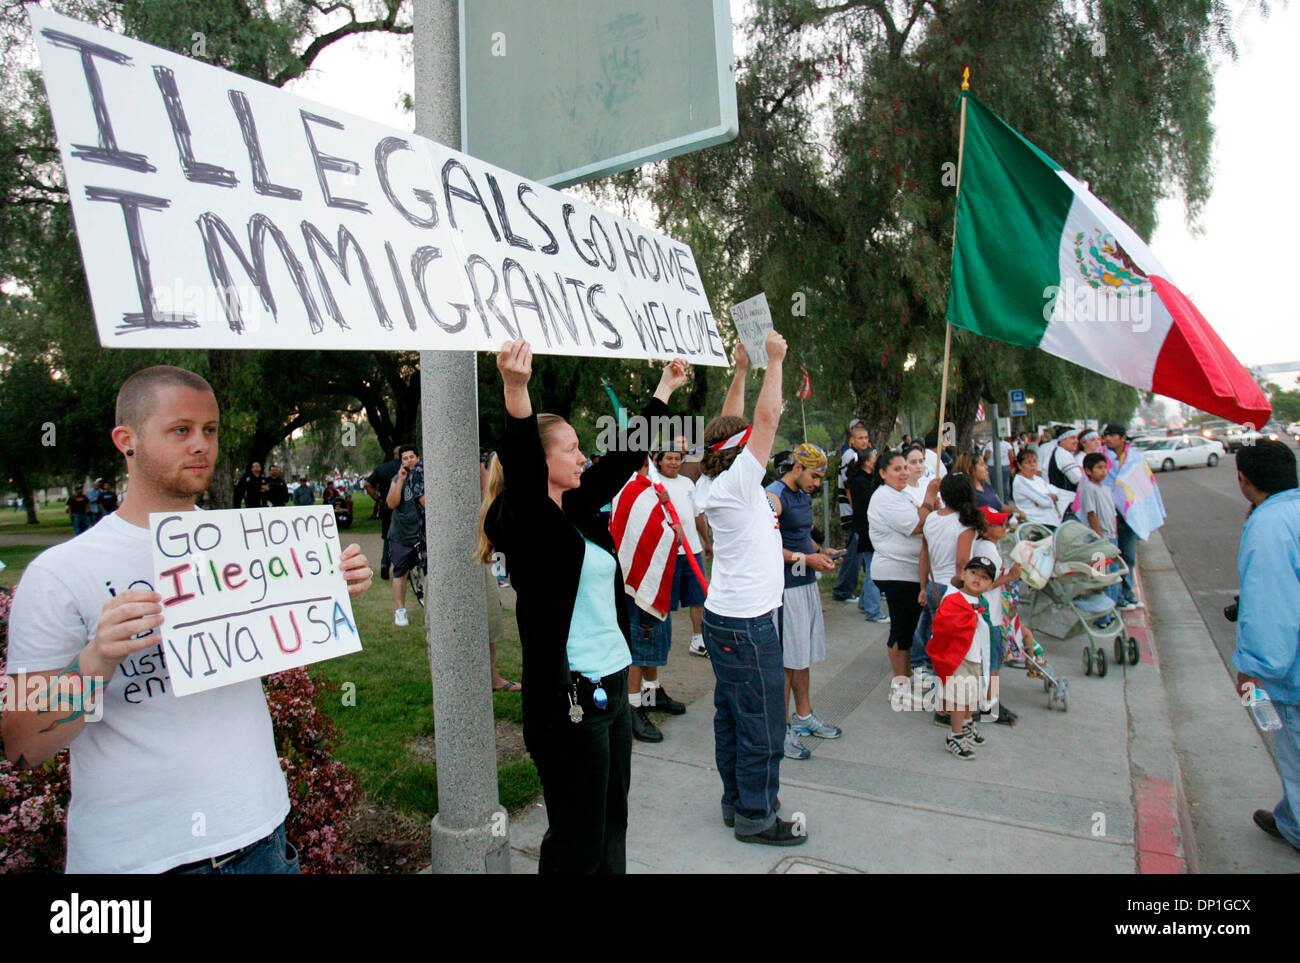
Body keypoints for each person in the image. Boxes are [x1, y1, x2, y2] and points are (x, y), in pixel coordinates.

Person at [2, 365, 372, 873]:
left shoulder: (245, 547)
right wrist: (95, 660)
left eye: (210, 430)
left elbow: (270, 637)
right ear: (126, 440)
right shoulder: (59, 573)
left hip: (261, 837)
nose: (201, 445)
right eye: (181, 430)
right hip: (142, 860)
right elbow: (19, 744)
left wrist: (326, 583)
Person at [479, 339, 688, 872]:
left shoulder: (576, 505)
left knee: (611, 822)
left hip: (614, 683)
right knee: (578, 839)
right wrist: (516, 389)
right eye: (570, 448)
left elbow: (621, 456)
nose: (582, 456)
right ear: (540, 459)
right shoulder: (524, 520)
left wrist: (663, 388)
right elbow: (522, 464)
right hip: (571, 696)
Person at [694, 333, 806, 846]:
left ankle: (735, 801)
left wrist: (740, 371)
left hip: (726, 619)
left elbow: (732, 426)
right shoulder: (739, 481)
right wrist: (774, 361)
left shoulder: (712, 480)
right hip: (748, 624)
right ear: (737, 451)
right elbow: (765, 421)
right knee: (762, 720)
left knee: (732, 715)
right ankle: (757, 817)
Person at [1232, 440, 1300, 856]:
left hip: (1290, 672)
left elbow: (1270, 605)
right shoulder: (1277, 515)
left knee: (1290, 747)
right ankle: (1288, 818)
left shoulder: (1268, 525)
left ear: (1245, 480)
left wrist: (1254, 667)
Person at [765, 443, 842, 761]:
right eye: (813, 476)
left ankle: (804, 716)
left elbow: (799, 536)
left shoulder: (803, 495)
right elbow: (765, 546)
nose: (816, 484)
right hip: (785, 589)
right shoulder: (773, 496)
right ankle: (778, 730)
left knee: (802, 656)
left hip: (805, 584)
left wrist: (819, 552)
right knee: (785, 661)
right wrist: (805, 559)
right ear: (797, 468)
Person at [870, 450, 940, 707]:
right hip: (896, 571)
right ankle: (900, 684)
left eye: (905, 468)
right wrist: (930, 496)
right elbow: (917, 525)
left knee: (908, 630)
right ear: (883, 473)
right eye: (897, 469)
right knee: (901, 630)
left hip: (909, 571)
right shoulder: (885, 498)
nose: (904, 473)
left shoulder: (901, 495)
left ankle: (906, 679)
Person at [925, 557, 997, 760]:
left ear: (990, 585)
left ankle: (966, 725)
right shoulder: (954, 600)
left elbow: (987, 628)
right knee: (959, 698)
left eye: (984, 577)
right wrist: (968, 620)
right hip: (958, 658)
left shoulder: (982, 602)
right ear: (963, 574)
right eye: (973, 573)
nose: (977, 579)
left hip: (975, 657)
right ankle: (954, 735)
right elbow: (943, 625)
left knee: (972, 696)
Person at [915, 473, 983, 676]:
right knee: (953, 646)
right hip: (953, 589)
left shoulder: (931, 519)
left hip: (933, 584)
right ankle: (947, 693)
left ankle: (935, 683)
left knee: (937, 638)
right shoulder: (965, 524)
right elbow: (962, 563)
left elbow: (924, 556)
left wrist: (922, 587)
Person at [654, 447, 712, 658]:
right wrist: (658, 500)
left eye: (677, 459)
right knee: (665, 602)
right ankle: (661, 640)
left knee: (698, 598)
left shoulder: (688, 483)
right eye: (668, 458)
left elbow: (697, 515)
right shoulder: (654, 485)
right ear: (658, 461)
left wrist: (707, 541)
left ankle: (698, 640)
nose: (673, 462)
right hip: (667, 553)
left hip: (692, 551)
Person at [969, 507, 1022, 725]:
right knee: (992, 663)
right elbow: (983, 583)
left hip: (990, 612)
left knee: (990, 662)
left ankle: (989, 702)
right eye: (998, 524)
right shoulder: (986, 549)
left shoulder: (986, 545)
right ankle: (989, 705)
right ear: (985, 528)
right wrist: (1009, 576)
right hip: (989, 614)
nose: (1003, 527)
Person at [1102, 424, 1143, 610]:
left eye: (1112, 435)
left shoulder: (1134, 458)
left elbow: (1143, 484)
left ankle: (1128, 593)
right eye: (1106, 435)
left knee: (1129, 556)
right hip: (1109, 515)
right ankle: (1118, 598)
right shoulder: (1102, 458)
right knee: (1111, 558)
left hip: (1130, 515)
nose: (1108, 439)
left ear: (1122, 438)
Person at [385, 444, 424, 628]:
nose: (409, 461)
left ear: (418, 458)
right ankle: (400, 611)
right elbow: (391, 504)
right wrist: (400, 480)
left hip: (421, 533)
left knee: (426, 570)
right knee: (400, 572)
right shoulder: (397, 478)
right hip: (401, 534)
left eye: (412, 457)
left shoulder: (424, 477)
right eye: (405, 458)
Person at [846, 451, 888, 622]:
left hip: (866, 529)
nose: (876, 460)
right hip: (866, 530)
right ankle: (873, 610)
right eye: (873, 457)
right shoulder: (860, 482)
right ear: (866, 462)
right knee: (873, 570)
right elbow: (866, 508)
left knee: (871, 566)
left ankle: (865, 603)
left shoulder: (868, 480)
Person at [832, 424, 872, 603]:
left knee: (858, 553)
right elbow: (849, 486)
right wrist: (857, 509)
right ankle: (843, 590)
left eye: (866, 438)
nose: (864, 441)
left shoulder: (857, 455)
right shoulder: (851, 456)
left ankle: (860, 592)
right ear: (852, 440)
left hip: (855, 512)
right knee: (853, 553)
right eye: (860, 438)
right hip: (852, 513)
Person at [365, 445, 403, 580]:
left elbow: (367, 484)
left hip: (387, 507)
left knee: (388, 536)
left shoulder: (382, 468)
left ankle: (384, 564)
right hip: (403, 507)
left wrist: (378, 498)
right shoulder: (405, 468)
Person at [956, 451, 1024, 519]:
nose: (986, 467)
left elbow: (1001, 506)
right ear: (971, 469)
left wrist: (1015, 511)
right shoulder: (969, 493)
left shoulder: (985, 485)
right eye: (982, 464)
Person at [1012, 447, 1062, 529]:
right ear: (1019, 465)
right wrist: (1049, 497)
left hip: (1052, 520)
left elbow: (1057, 491)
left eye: (1035, 462)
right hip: (1038, 524)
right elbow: (1045, 502)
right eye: (1028, 462)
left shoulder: (1038, 479)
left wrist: (1051, 496)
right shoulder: (1021, 482)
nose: (1033, 465)